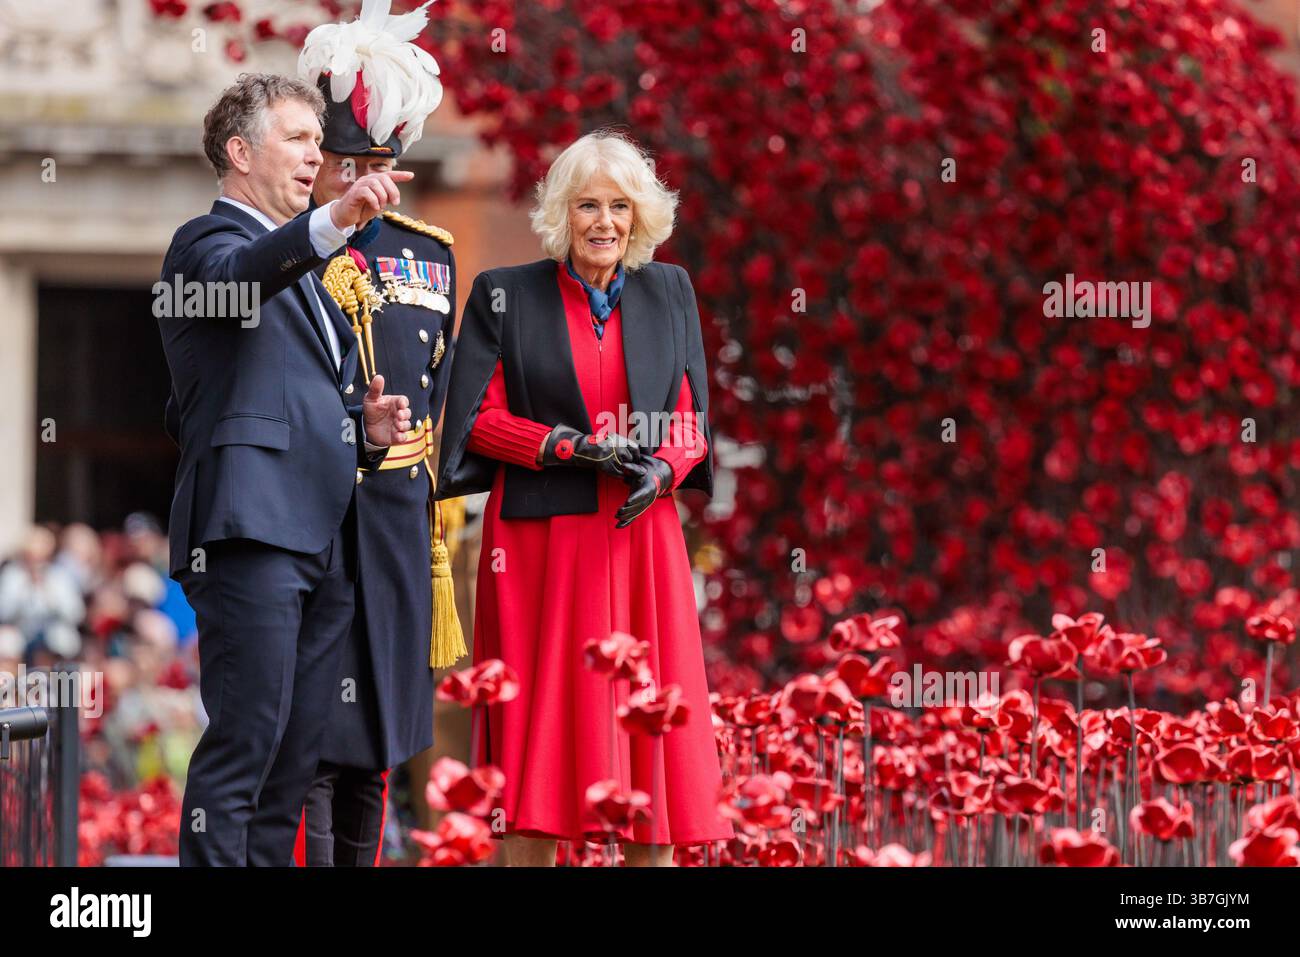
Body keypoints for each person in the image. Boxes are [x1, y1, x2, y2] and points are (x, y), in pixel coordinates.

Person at [436, 130, 735, 866]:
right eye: (587, 206)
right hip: (540, 547)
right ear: (561, 214)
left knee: (649, 749)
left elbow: (692, 419)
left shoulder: (671, 291)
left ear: (640, 217)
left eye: (619, 206)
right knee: (541, 750)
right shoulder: (505, 294)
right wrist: (572, 447)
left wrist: (662, 470)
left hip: (643, 536)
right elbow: (475, 417)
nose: (604, 221)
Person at [157, 72, 413, 866]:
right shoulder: (205, 247)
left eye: (318, 142)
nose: (318, 155)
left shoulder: (304, 272)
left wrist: (362, 432)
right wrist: (337, 218)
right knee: (246, 749)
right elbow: (239, 287)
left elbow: (281, 392)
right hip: (250, 531)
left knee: (288, 770)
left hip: (320, 539)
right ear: (239, 152)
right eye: (299, 139)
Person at [294, 0, 463, 867]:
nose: (365, 178)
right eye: (346, 161)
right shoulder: (292, 247)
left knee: (381, 744)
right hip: (318, 519)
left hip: (400, 527)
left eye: (377, 161)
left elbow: (450, 393)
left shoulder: (432, 255)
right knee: (316, 739)